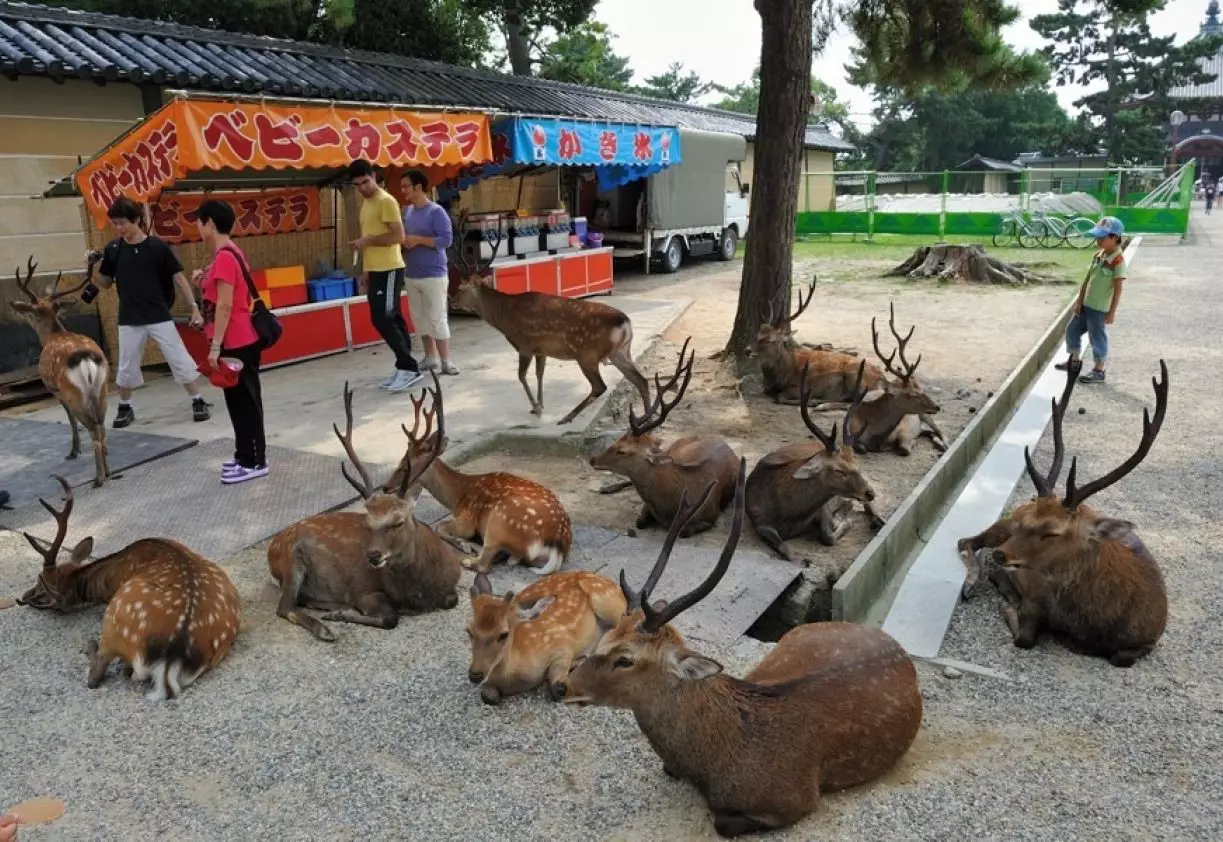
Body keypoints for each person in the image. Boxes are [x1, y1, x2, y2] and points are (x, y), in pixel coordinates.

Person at [91, 196, 211, 428]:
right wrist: (93, 266)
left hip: (158, 315)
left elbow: (179, 278)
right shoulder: (113, 249)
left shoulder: (157, 247)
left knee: (178, 357)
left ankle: (198, 400)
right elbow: (105, 282)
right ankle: (125, 407)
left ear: (136, 220)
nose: (119, 228)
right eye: (115, 223)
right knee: (126, 365)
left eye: (122, 222)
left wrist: (194, 309)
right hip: (129, 317)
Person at [194, 199, 268, 485]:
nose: (198, 228)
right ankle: (243, 454)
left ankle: (255, 460)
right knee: (236, 400)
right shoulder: (227, 253)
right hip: (232, 338)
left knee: (246, 401)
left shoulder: (225, 256)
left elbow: (225, 305)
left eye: (200, 223)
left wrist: (215, 347)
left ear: (210, 223)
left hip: (236, 340)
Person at [347, 159, 423, 394]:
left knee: (383, 318)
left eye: (365, 182)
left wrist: (366, 242)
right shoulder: (366, 204)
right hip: (376, 270)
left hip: (390, 268)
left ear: (374, 176)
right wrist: (366, 271)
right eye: (357, 185)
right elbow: (371, 238)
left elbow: (398, 236)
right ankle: (405, 366)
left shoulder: (386, 201)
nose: (362, 188)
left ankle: (409, 367)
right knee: (392, 317)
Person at [399, 168, 459, 375]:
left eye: (406, 186)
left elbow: (446, 240)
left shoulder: (436, 212)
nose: (403, 190)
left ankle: (446, 360)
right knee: (420, 318)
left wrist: (419, 240)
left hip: (434, 275)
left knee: (437, 317)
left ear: (418, 187)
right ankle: (430, 357)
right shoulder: (407, 212)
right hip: (412, 274)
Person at [1056, 215, 1127, 385]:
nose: (1098, 240)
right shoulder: (1098, 255)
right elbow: (1087, 280)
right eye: (1097, 237)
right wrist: (1079, 301)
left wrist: (1112, 312)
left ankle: (1099, 370)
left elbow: (1118, 289)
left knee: (1097, 337)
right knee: (1072, 330)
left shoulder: (1118, 261)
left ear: (1114, 238)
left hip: (1099, 308)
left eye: (1102, 237)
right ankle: (1074, 361)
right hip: (1086, 305)